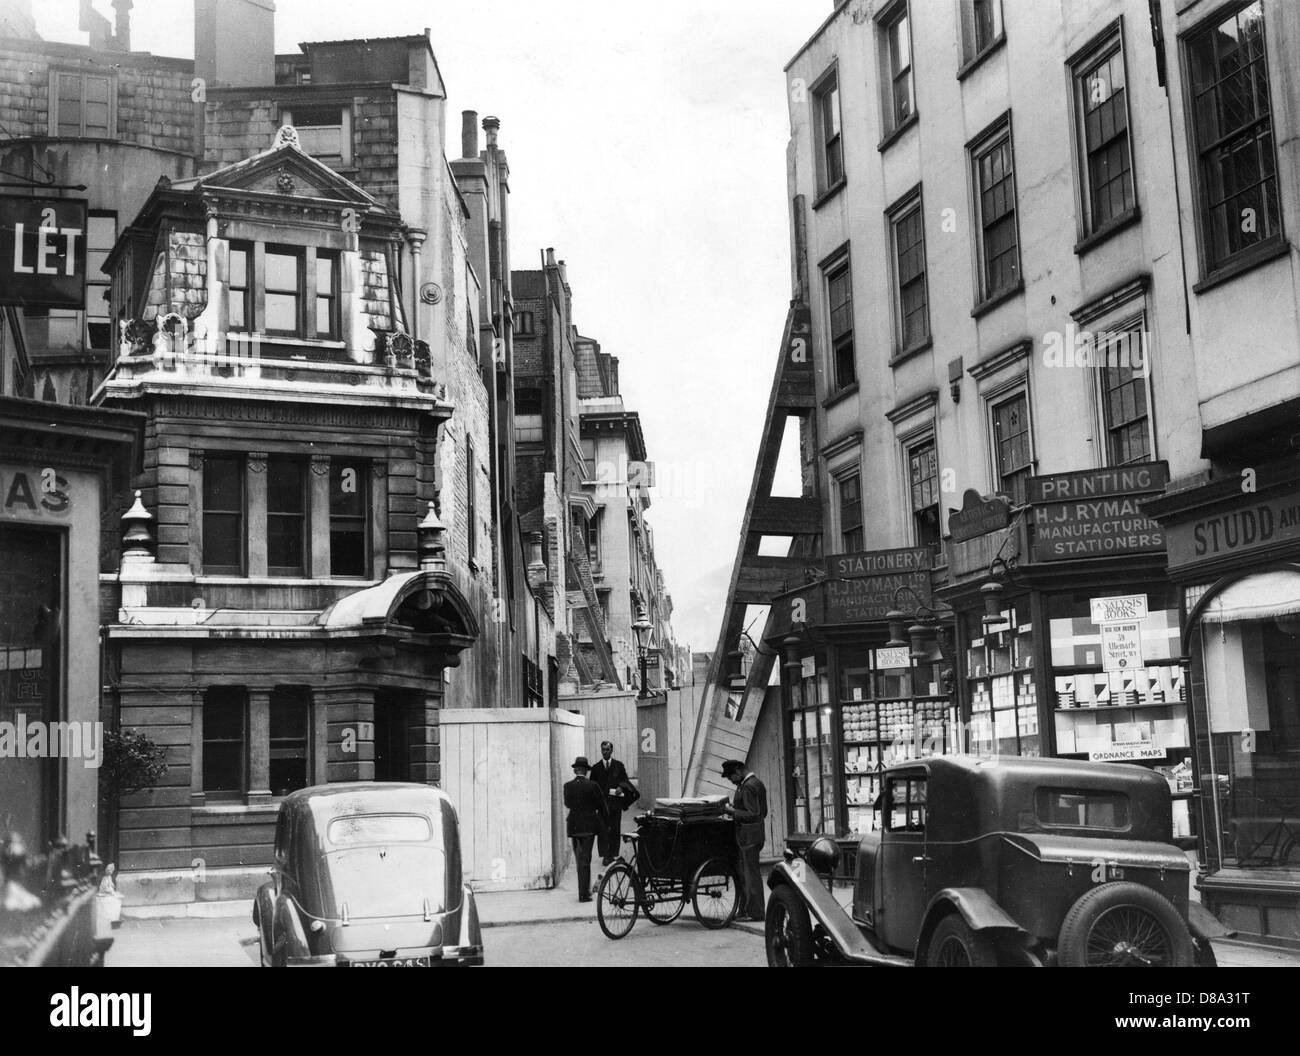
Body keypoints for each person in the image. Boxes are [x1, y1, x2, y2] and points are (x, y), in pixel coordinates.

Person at [721, 758, 767, 922]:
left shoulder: (748, 786)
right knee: (748, 874)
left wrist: (732, 811)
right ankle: (748, 910)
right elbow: (764, 813)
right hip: (753, 836)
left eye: (730, 777)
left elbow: (753, 814)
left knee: (749, 875)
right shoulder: (756, 783)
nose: (731, 781)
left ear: (738, 771)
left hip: (748, 837)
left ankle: (754, 912)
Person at [564, 756, 608, 903]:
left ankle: (582, 891)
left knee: (579, 860)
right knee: (586, 860)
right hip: (589, 828)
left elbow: (568, 804)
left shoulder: (567, 786)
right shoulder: (593, 786)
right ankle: (584, 894)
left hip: (574, 827)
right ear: (586, 771)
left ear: (576, 770)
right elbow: (601, 806)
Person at [591, 740, 631, 865]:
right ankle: (605, 855)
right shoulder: (596, 768)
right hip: (602, 806)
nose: (605, 752)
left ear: (611, 750)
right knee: (603, 830)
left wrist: (621, 787)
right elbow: (592, 786)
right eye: (603, 749)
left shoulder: (619, 766)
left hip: (615, 804)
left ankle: (613, 854)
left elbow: (626, 781)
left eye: (607, 749)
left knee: (615, 828)